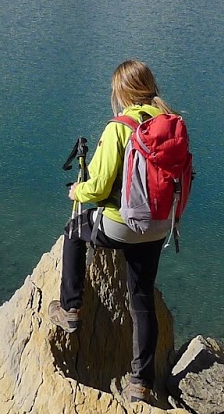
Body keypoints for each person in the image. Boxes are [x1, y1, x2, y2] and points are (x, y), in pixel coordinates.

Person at [50, 59, 178, 406]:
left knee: (74, 231)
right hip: (158, 225)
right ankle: (141, 384)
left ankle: (71, 309)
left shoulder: (119, 127)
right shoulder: (168, 121)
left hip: (122, 225)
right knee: (141, 297)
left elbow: (99, 186)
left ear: (121, 91)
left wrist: (77, 191)